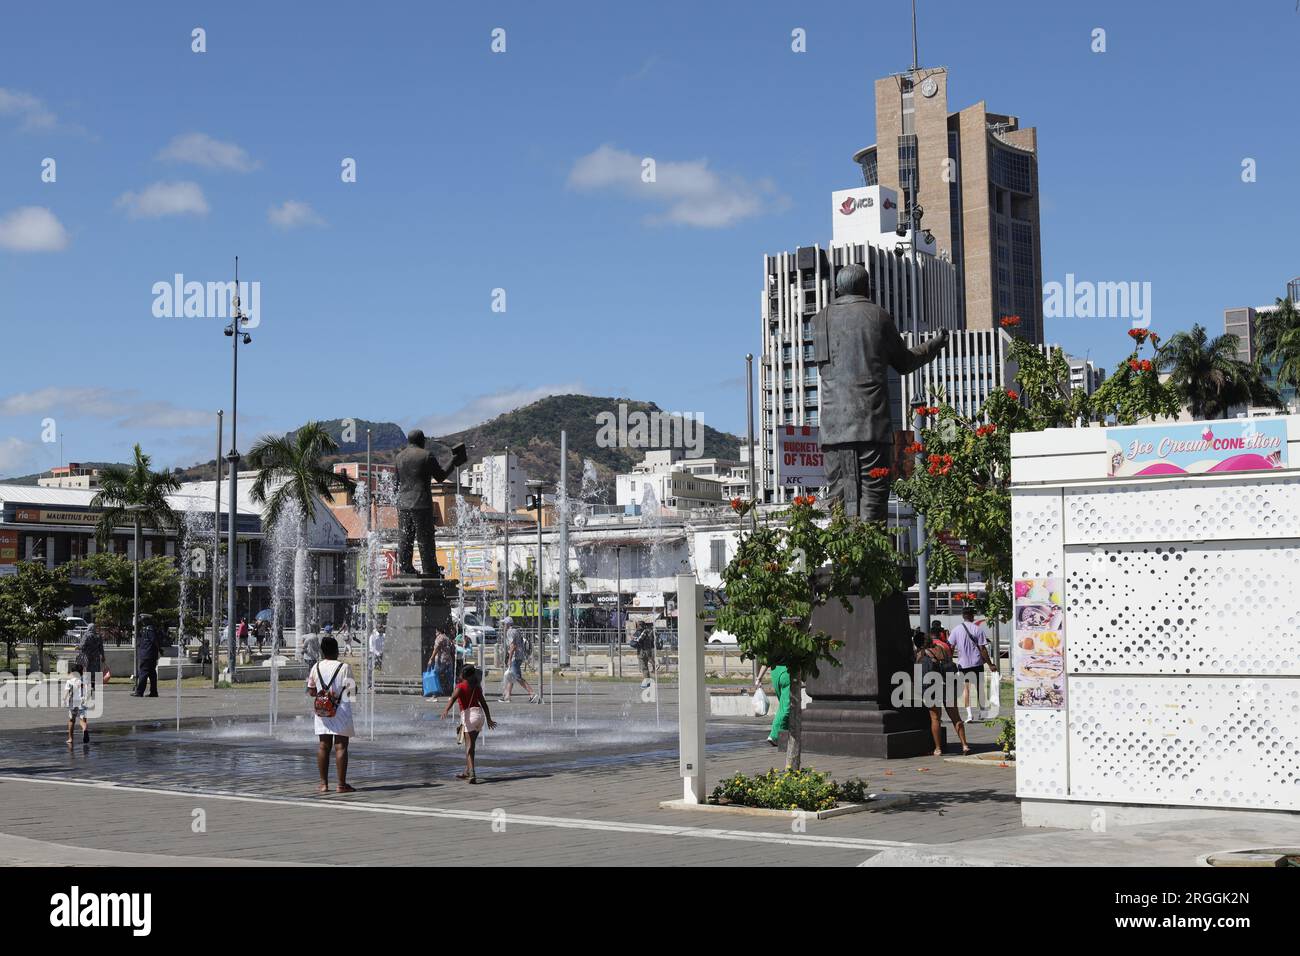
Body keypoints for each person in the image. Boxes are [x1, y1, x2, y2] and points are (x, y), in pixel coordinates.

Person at [306, 635, 356, 793]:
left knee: (323, 746)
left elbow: (311, 691)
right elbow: (352, 693)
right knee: (341, 746)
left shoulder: (316, 667)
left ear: (322, 651)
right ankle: (341, 785)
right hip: (340, 710)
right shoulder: (344, 667)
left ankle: (323, 784)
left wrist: (323, 693)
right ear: (336, 650)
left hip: (322, 711)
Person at [914, 629, 970, 756]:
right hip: (948, 685)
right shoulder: (942, 649)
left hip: (931, 689)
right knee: (956, 717)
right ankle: (965, 745)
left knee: (935, 718)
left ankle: (938, 749)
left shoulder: (921, 654)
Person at [441, 664, 495, 784]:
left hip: (469, 717)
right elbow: (484, 704)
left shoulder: (460, 687)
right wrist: (489, 719)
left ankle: (472, 774)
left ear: (463, 675)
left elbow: (452, 699)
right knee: (471, 746)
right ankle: (467, 771)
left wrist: (446, 710)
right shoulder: (476, 687)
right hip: (479, 716)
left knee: (469, 747)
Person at [950, 607, 995, 721]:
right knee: (980, 687)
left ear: (963, 616)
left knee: (966, 689)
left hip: (963, 664)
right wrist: (990, 664)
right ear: (972, 616)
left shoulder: (956, 629)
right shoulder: (977, 629)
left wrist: (949, 661)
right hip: (977, 663)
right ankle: (982, 712)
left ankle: (969, 715)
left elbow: (950, 646)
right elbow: (983, 649)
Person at [498, 619, 538, 703]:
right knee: (511, 676)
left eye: (503, 624)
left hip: (515, 658)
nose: (502, 626)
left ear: (507, 624)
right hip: (519, 656)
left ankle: (532, 693)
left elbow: (513, 646)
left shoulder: (510, 632)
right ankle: (507, 696)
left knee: (517, 677)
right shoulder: (516, 631)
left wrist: (509, 659)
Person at [760, 660, 792, 748]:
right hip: (787, 672)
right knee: (786, 707)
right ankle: (774, 735)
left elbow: (766, 661)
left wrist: (759, 678)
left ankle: (784, 735)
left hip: (775, 673)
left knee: (783, 706)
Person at [131, 617, 162, 697]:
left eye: (143, 621)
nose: (142, 623)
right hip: (149, 655)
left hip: (147, 655)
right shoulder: (147, 630)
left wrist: (159, 649)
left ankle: (139, 692)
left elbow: (154, 641)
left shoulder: (149, 630)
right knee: (152, 674)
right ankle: (154, 692)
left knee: (143, 673)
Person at [76, 622, 105, 698]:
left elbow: (82, 645)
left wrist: (77, 647)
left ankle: (88, 686)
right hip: (96, 657)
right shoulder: (98, 636)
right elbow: (101, 648)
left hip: (88, 656)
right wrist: (103, 656)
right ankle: (96, 686)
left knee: (87, 670)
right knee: (97, 670)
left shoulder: (86, 635)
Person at [65, 663, 90, 746]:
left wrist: (64, 699)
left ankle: (70, 738)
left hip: (73, 702)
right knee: (83, 720)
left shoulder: (70, 681)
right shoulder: (85, 679)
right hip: (83, 701)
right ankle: (85, 729)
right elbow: (89, 691)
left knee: (72, 720)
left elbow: (67, 692)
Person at [427, 627, 455, 700]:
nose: (435, 633)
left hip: (440, 661)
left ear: (438, 631)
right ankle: (453, 695)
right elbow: (452, 649)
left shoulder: (439, 638)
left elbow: (436, 649)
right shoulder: (447, 638)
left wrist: (431, 659)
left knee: (435, 676)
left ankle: (434, 696)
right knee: (450, 678)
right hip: (448, 660)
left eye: (436, 632)